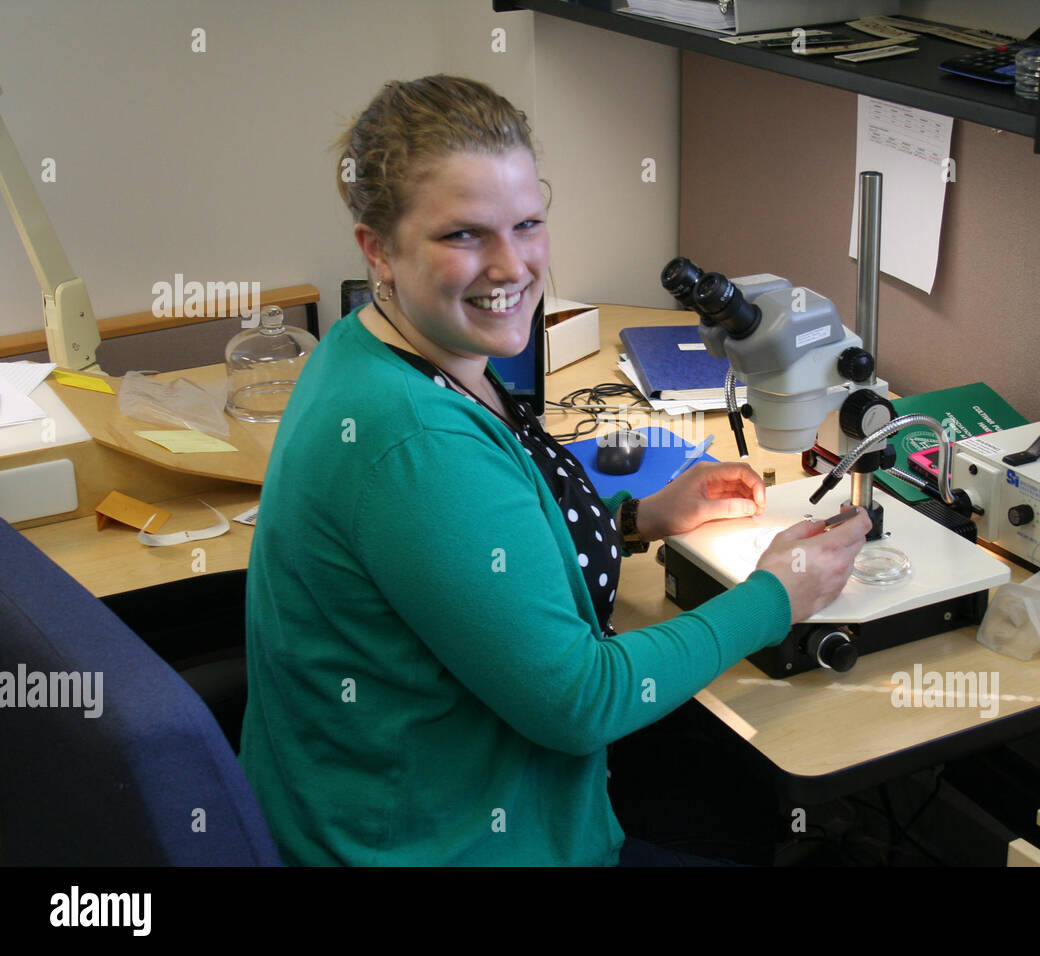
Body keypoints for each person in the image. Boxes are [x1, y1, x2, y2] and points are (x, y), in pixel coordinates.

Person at [238, 74, 872, 866]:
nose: (512, 266)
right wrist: (776, 598)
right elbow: (581, 700)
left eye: (527, 223)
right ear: (378, 249)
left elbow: (469, 553)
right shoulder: (415, 442)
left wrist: (637, 517)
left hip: (396, 802)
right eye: (463, 235)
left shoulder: (379, 346)